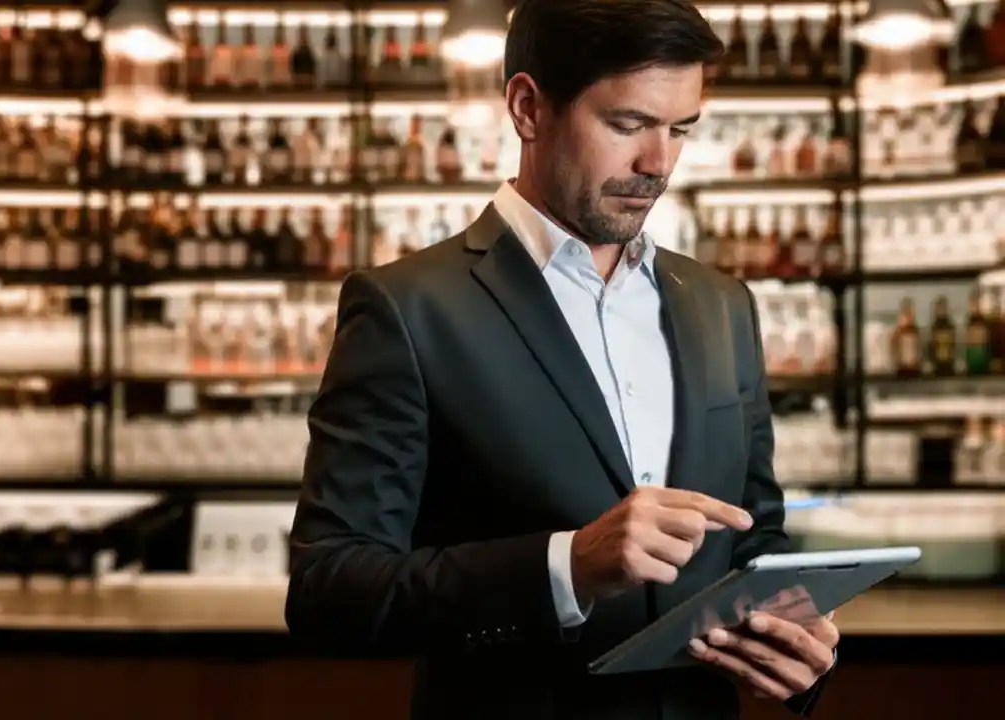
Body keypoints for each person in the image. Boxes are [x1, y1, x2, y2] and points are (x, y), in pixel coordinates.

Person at [284, 1, 839, 718]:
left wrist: (797, 636)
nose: (658, 163)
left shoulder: (723, 304)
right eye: (628, 124)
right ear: (527, 108)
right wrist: (565, 567)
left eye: (680, 130)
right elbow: (329, 592)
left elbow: (752, 533)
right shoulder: (407, 309)